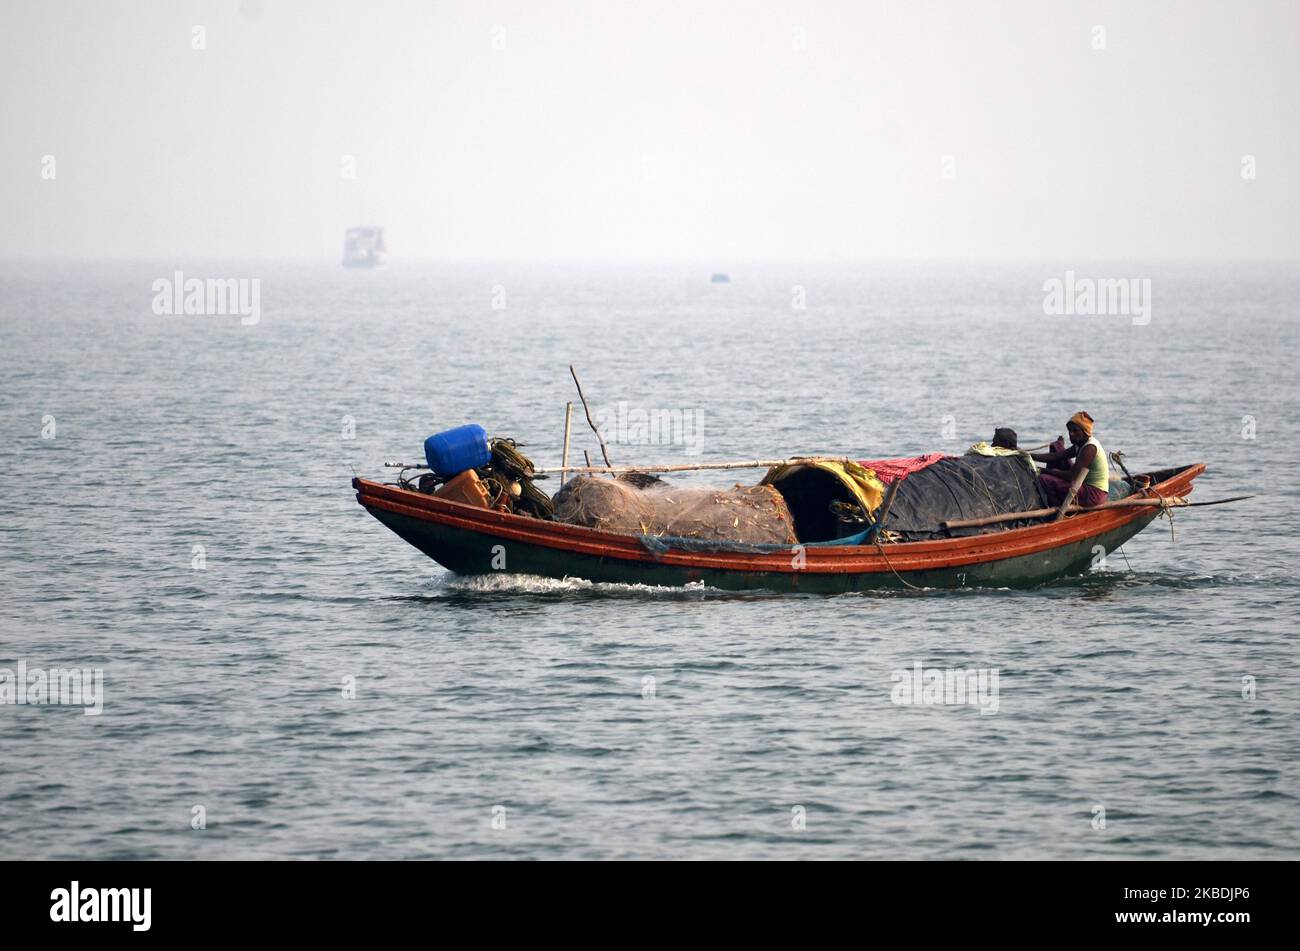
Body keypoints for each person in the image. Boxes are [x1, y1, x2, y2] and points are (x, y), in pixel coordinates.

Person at [1030, 411, 1109, 508]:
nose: (1071, 434)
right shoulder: (1079, 444)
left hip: (1093, 494)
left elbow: (1071, 476)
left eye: (1075, 431)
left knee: (1044, 479)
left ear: (1085, 432)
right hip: (1083, 485)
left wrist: (1044, 471)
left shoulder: (1090, 448)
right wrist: (1028, 455)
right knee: (1057, 449)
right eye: (1069, 430)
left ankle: (1056, 509)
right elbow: (1056, 456)